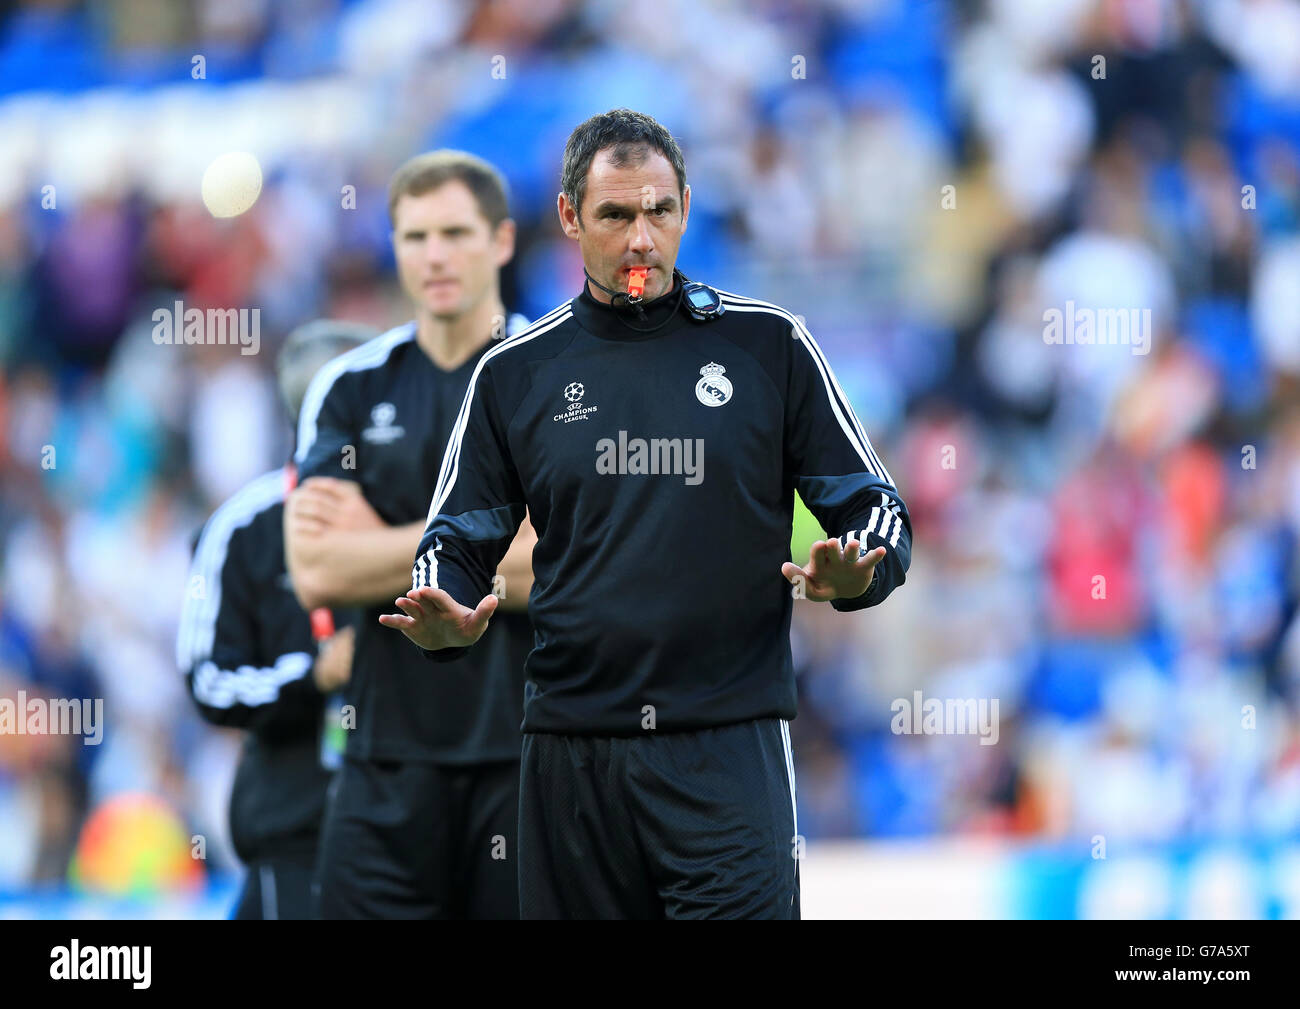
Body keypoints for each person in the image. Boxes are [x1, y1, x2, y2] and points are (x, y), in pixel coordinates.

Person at [382, 109, 913, 919]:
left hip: (727, 751)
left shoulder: (770, 346)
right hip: (572, 758)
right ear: (569, 217)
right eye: (616, 215)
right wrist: (448, 613)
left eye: (660, 212)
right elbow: (455, 538)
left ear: (687, 208)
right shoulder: (516, 375)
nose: (642, 239)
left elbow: (878, 508)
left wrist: (856, 573)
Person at [287, 150, 536, 919]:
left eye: (455, 232)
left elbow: (570, 562)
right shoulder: (351, 386)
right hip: (383, 765)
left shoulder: (560, 376)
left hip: (530, 759)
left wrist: (384, 540)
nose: (434, 255)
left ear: (501, 240)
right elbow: (318, 570)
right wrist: (485, 541)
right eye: (414, 236)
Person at [178, 319, 376, 920]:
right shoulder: (243, 527)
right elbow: (208, 680)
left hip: (417, 828)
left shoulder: (422, 514)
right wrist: (311, 675)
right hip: (296, 840)